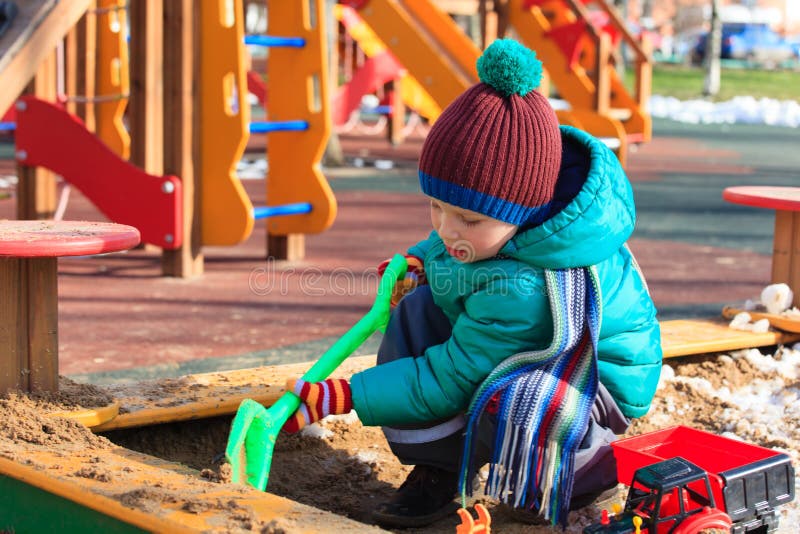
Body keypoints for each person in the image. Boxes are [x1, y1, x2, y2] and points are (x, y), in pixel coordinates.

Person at [282, 39, 662, 528]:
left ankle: (577, 478)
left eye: (465, 217)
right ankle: (441, 469)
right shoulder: (493, 230)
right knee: (419, 309)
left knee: (512, 400)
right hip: (526, 349)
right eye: (436, 207)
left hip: (589, 385)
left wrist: (349, 396)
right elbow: (455, 245)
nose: (445, 228)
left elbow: (453, 376)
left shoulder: (527, 288)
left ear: (522, 215)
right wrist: (419, 260)